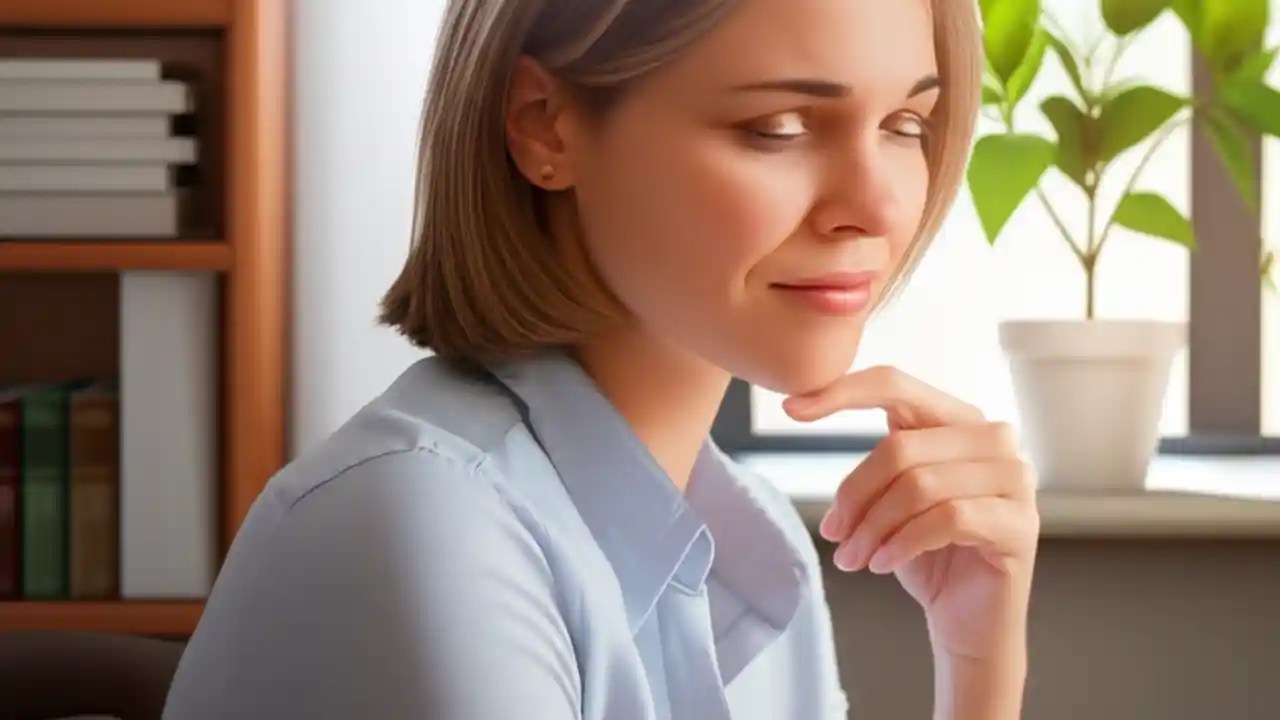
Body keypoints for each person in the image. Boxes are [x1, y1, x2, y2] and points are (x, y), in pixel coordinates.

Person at [163, 0, 1040, 717]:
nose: (876, 207)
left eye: (905, 122)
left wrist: (978, 668)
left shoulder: (756, 539)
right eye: (778, 126)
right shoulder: (425, 524)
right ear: (545, 127)